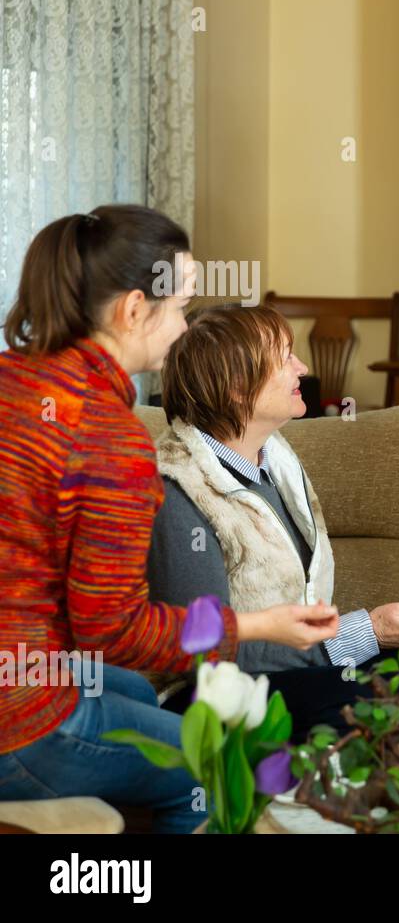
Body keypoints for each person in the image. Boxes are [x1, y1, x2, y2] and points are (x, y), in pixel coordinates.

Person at [0, 206, 338, 833]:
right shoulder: (109, 439)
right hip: (18, 716)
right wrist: (261, 624)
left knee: (127, 689)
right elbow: (115, 630)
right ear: (133, 310)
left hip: (26, 663)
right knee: (213, 767)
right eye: (181, 307)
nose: (185, 326)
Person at [146, 305, 399, 734]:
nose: (303, 368)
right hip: (204, 700)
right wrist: (361, 632)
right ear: (238, 386)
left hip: (283, 678)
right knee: (378, 698)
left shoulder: (276, 467)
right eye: (285, 357)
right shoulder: (180, 490)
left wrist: (372, 634)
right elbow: (204, 653)